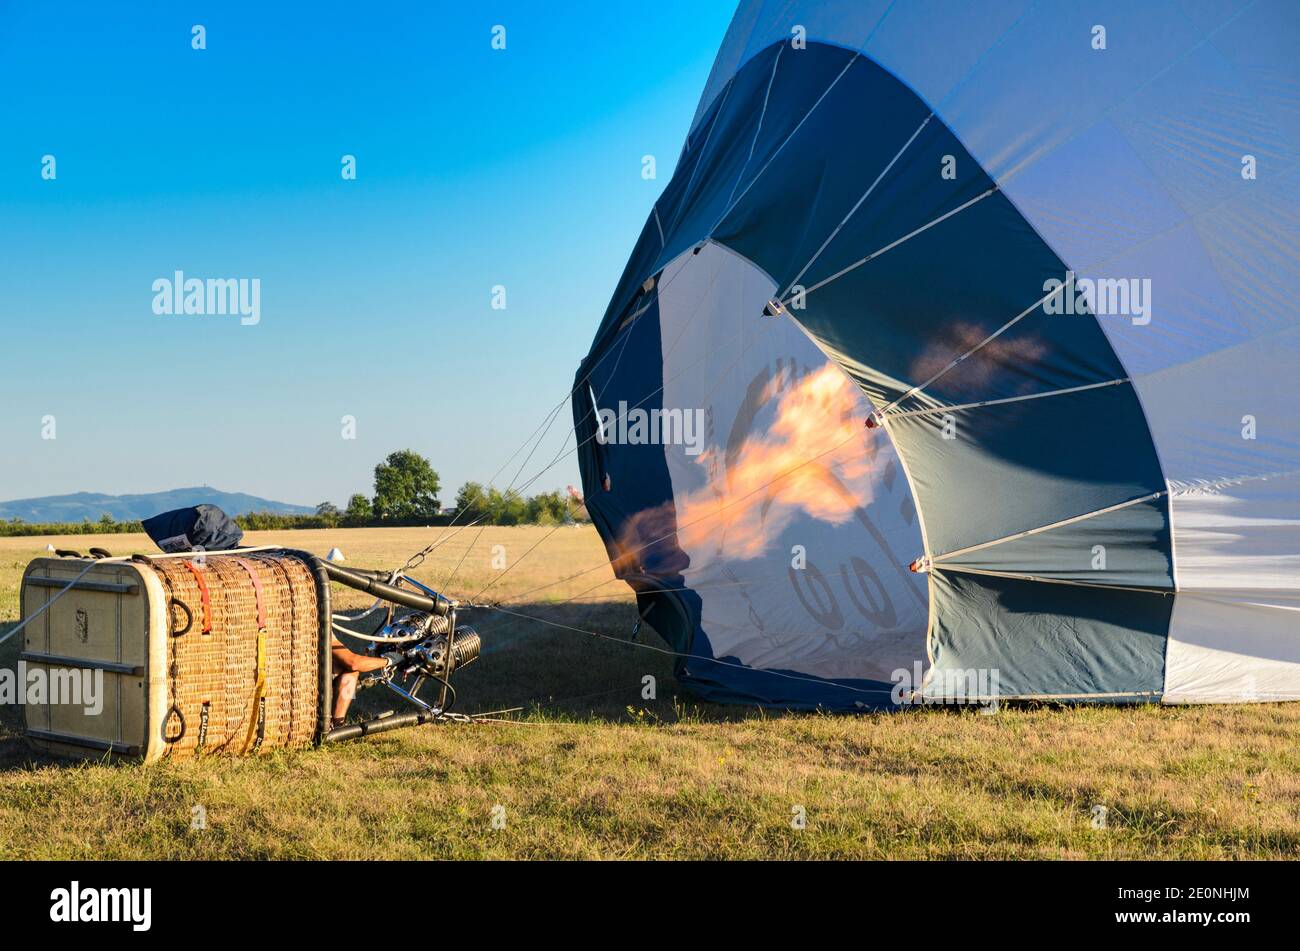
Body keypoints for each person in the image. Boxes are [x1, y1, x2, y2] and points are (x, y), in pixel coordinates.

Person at [330, 638, 389, 728]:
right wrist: (389, 661)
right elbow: (353, 663)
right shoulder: (318, 628)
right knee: (351, 670)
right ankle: (336, 725)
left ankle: (336, 725)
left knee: (345, 669)